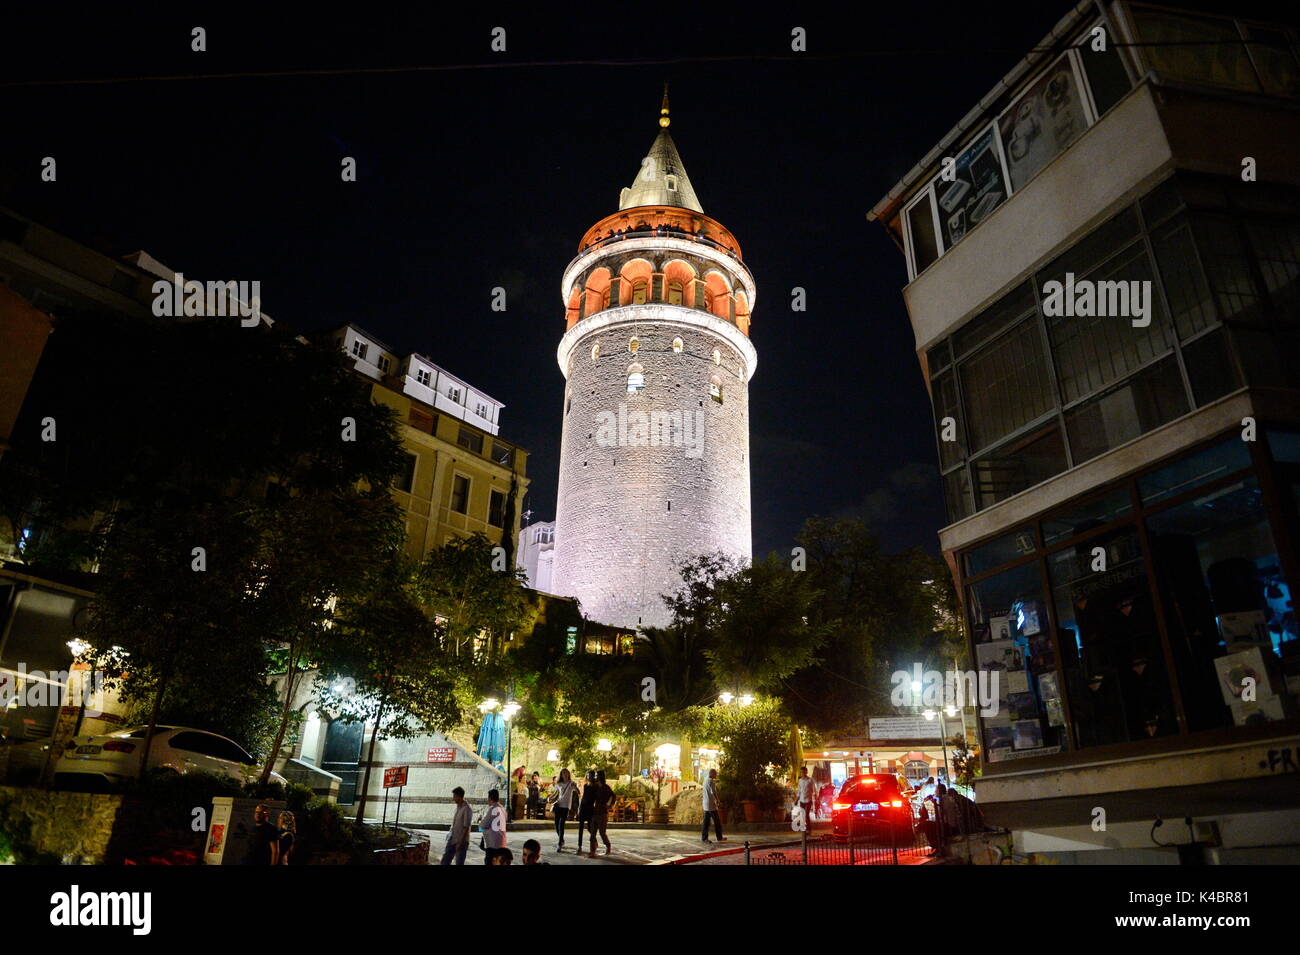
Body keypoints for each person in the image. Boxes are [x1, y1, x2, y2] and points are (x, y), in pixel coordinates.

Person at [441, 786, 472, 865]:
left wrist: (461, 842)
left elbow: (466, 827)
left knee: (459, 862)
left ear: (459, 796)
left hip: (461, 841)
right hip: (452, 838)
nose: (453, 798)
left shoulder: (467, 809)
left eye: (454, 796)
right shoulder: (458, 807)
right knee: (445, 860)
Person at [547, 768, 577, 851]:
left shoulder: (571, 783)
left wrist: (575, 788)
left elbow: (578, 792)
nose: (565, 775)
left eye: (566, 773)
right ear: (561, 774)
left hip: (566, 806)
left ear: (568, 774)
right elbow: (556, 793)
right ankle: (562, 839)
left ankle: (560, 843)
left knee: (561, 824)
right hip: (558, 805)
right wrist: (550, 798)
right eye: (563, 773)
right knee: (556, 825)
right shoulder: (559, 783)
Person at [480, 788, 508, 865]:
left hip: (492, 845)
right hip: (502, 843)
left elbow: (482, 825)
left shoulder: (493, 809)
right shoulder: (503, 809)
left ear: (490, 799)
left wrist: (481, 827)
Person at [574, 770, 597, 856]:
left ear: (593, 777)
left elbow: (595, 799)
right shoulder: (586, 786)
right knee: (580, 828)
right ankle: (579, 847)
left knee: (590, 828)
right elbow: (583, 798)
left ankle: (594, 842)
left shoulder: (595, 787)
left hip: (590, 809)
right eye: (587, 775)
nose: (588, 777)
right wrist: (579, 809)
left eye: (590, 775)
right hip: (583, 808)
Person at [701, 768, 725, 843]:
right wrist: (718, 801)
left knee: (706, 822)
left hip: (705, 804)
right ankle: (719, 837)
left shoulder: (705, 780)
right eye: (715, 774)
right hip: (711, 805)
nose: (716, 775)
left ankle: (704, 838)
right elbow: (713, 792)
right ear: (712, 774)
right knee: (717, 821)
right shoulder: (711, 781)